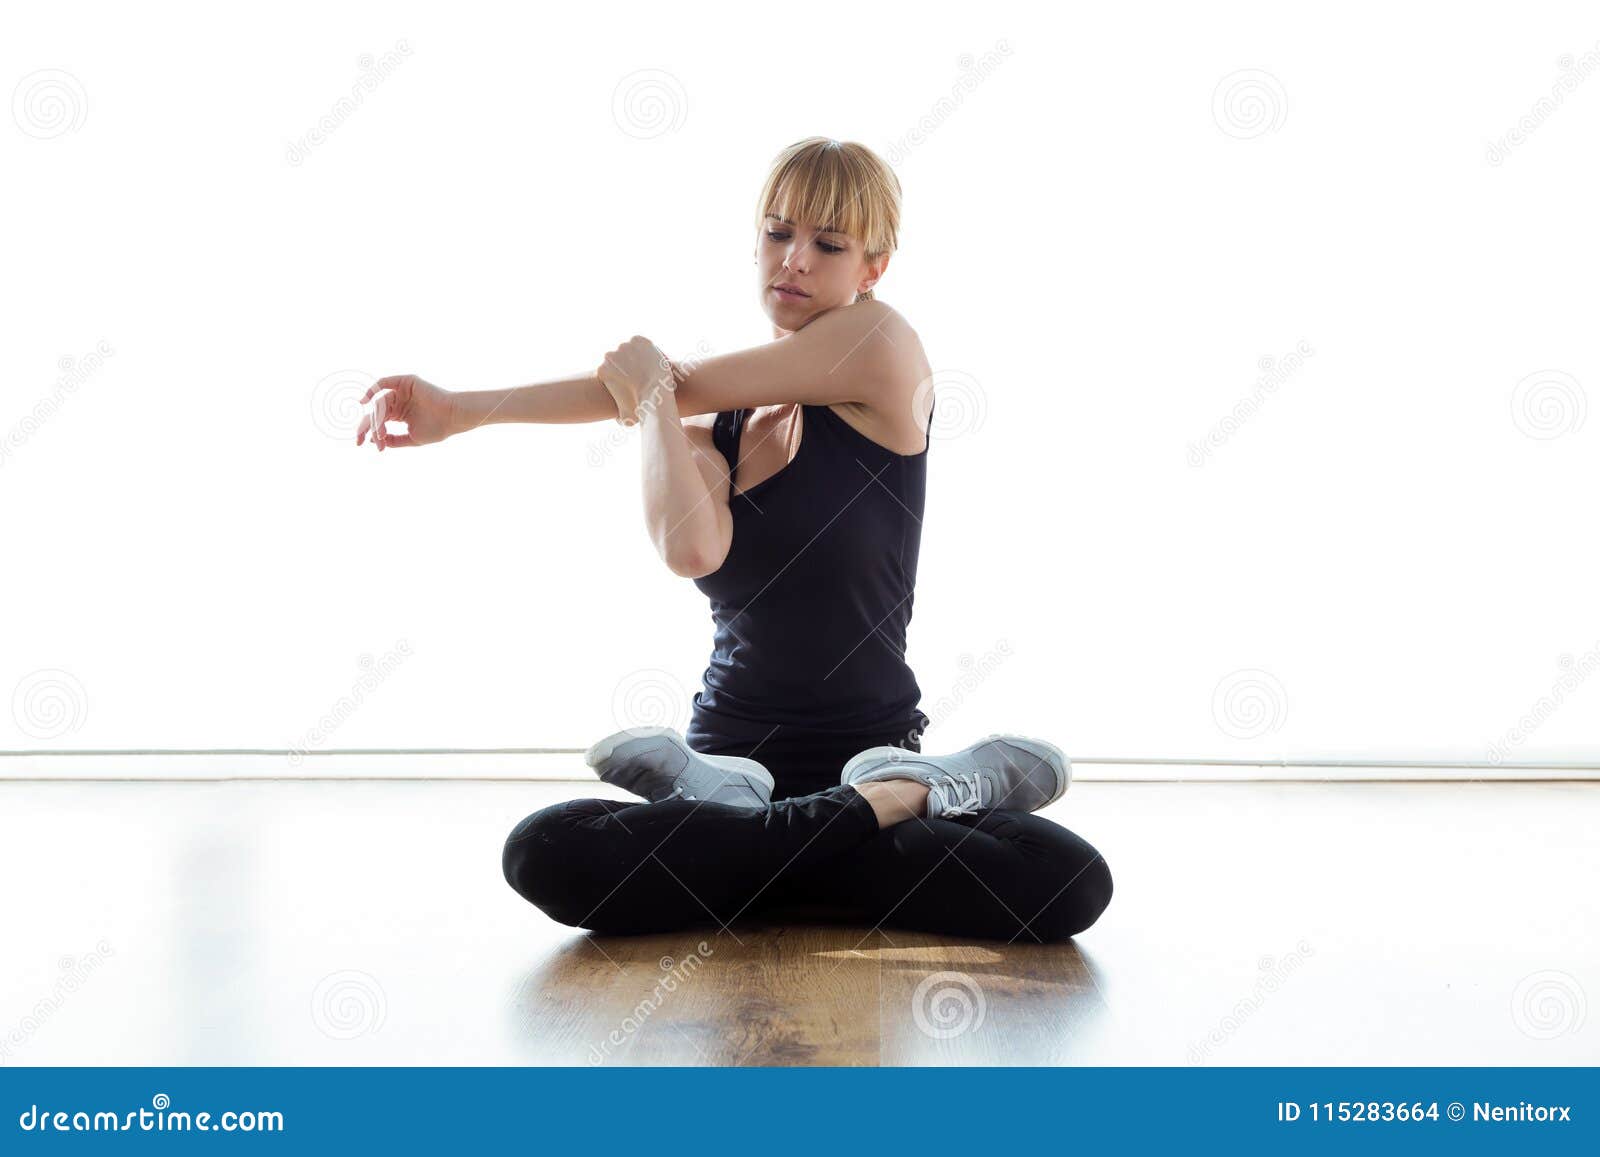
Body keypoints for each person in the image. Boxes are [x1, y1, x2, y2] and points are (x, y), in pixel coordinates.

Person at [356, 137, 1113, 943]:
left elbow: (676, 382)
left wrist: (470, 409)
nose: (795, 260)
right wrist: (652, 405)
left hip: (870, 749)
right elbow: (690, 551)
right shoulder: (712, 432)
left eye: (829, 244)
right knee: (542, 851)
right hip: (724, 762)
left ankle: (792, 837)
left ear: (874, 268)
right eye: (778, 233)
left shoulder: (883, 348)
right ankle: (885, 810)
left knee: (1068, 879)